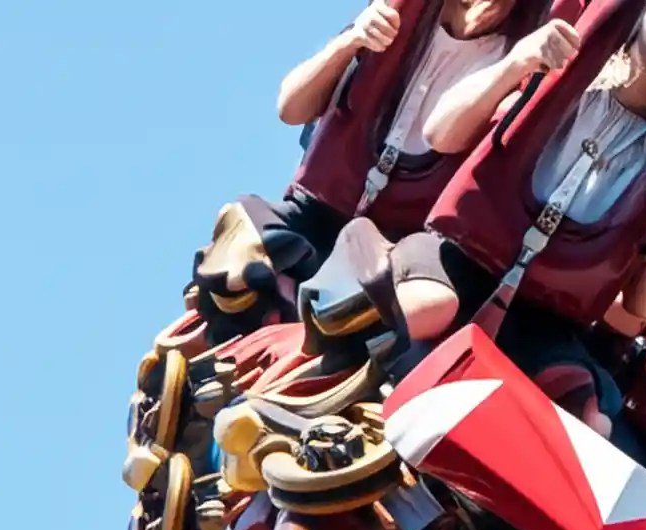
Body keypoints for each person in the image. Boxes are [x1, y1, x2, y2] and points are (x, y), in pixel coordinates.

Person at [345, 0, 646, 437]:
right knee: (432, 307)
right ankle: (340, 351)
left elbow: (643, 305)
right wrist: (517, 62)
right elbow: (441, 132)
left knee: (588, 416)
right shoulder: (565, 82)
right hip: (463, 258)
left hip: (542, 313)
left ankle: (485, 492)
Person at [194, 0, 532, 335]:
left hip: (399, 241)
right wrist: (351, 40)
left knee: (428, 296)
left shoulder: (515, 61)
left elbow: (445, 137)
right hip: (321, 212)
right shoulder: (395, 16)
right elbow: (291, 107)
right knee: (241, 256)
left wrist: (512, 76)